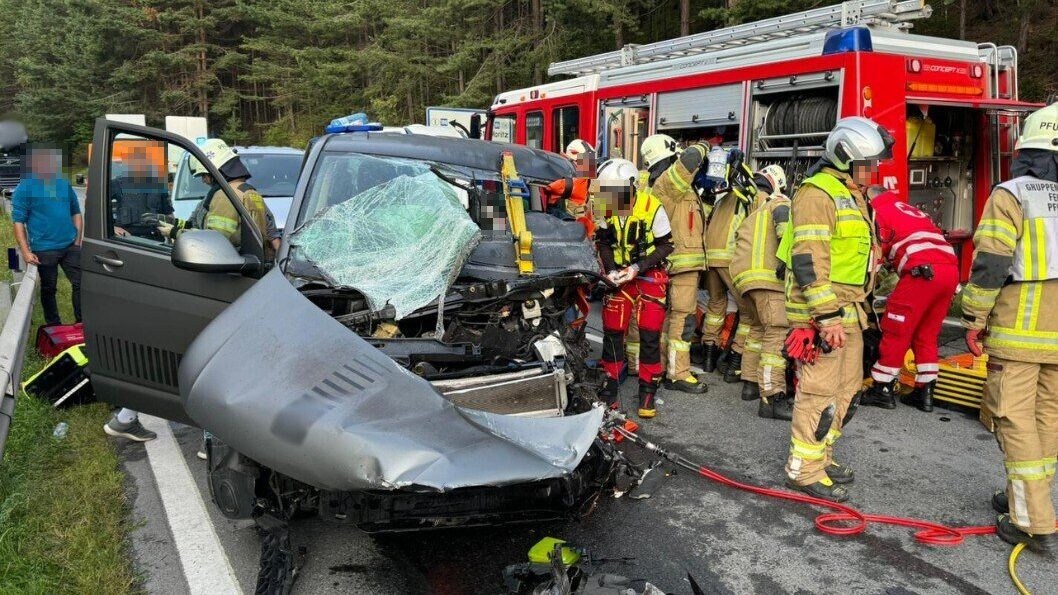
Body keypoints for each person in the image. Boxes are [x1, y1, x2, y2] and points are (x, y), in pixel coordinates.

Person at [961, 102, 1058, 555]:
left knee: (1013, 417)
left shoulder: (1011, 193)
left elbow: (990, 265)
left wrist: (974, 318)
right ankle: (1029, 496)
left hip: (1022, 328)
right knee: (1047, 418)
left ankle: (1030, 518)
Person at [780, 116, 892, 502]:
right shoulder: (817, 193)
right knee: (818, 392)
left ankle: (822, 456)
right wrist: (826, 317)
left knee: (845, 392)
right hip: (822, 313)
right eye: (869, 163)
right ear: (847, 157)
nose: (875, 170)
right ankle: (803, 468)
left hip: (852, 311)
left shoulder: (854, 192)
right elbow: (808, 260)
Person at [860, 190, 958, 412]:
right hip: (950, 269)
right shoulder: (910, 210)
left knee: (896, 329)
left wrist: (864, 289)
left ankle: (882, 388)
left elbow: (874, 256)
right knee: (926, 333)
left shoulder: (877, 212)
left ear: (869, 197)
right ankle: (925, 392)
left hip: (921, 272)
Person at [594, 158, 674, 418]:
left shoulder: (652, 207)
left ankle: (648, 389)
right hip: (620, 276)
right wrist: (612, 270)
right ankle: (611, 384)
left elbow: (666, 245)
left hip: (648, 275)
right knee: (613, 331)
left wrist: (638, 267)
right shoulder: (607, 204)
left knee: (650, 334)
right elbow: (604, 241)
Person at [641, 134, 709, 394]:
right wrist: (704, 145)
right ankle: (678, 373)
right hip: (679, 263)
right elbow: (690, 159)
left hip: (678, 263)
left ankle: (666, 367)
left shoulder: (670, 185)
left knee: (671, 318)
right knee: (683, 318)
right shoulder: (667, 181)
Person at [729, 164, 793, 419]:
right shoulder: (781, 202)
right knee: (776, 334)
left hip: (746, 281)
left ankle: (750, 384)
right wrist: (787, 260)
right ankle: (772, 398)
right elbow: (785, 230)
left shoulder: (754, 213)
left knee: (757, 329)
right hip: (769, 280)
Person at [11, 145, 82, 327]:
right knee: (49, 288)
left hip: (70, 246)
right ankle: (54, 325)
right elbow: (18, 222)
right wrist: (26, 252)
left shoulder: (63, 183)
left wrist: (77, 240)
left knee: (81, 284)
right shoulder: (24, 188)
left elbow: (76, 212)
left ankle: (82, 323)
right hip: (44, 248)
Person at [171, 139, 280, 257]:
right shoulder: (251, 192)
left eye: (204, 175)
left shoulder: (224, 196)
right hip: (251, 264)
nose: (203, 180)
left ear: (215, 171)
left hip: (228, 266)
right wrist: (173, 223)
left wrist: (175, 232)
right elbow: (273, 237)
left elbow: (213, 241)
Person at [701, 148, 754, 382]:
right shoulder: (745, 199)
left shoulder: (720, 198)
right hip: (729, 258)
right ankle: (735, 360)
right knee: (748, 311)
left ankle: (708, 356)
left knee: (716, 304)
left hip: (710, 258)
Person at [542, 139, 596, 236]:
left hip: (567, 226)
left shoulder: (576, 181)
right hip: (573, 226)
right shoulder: (587, 179)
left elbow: (549, 188)